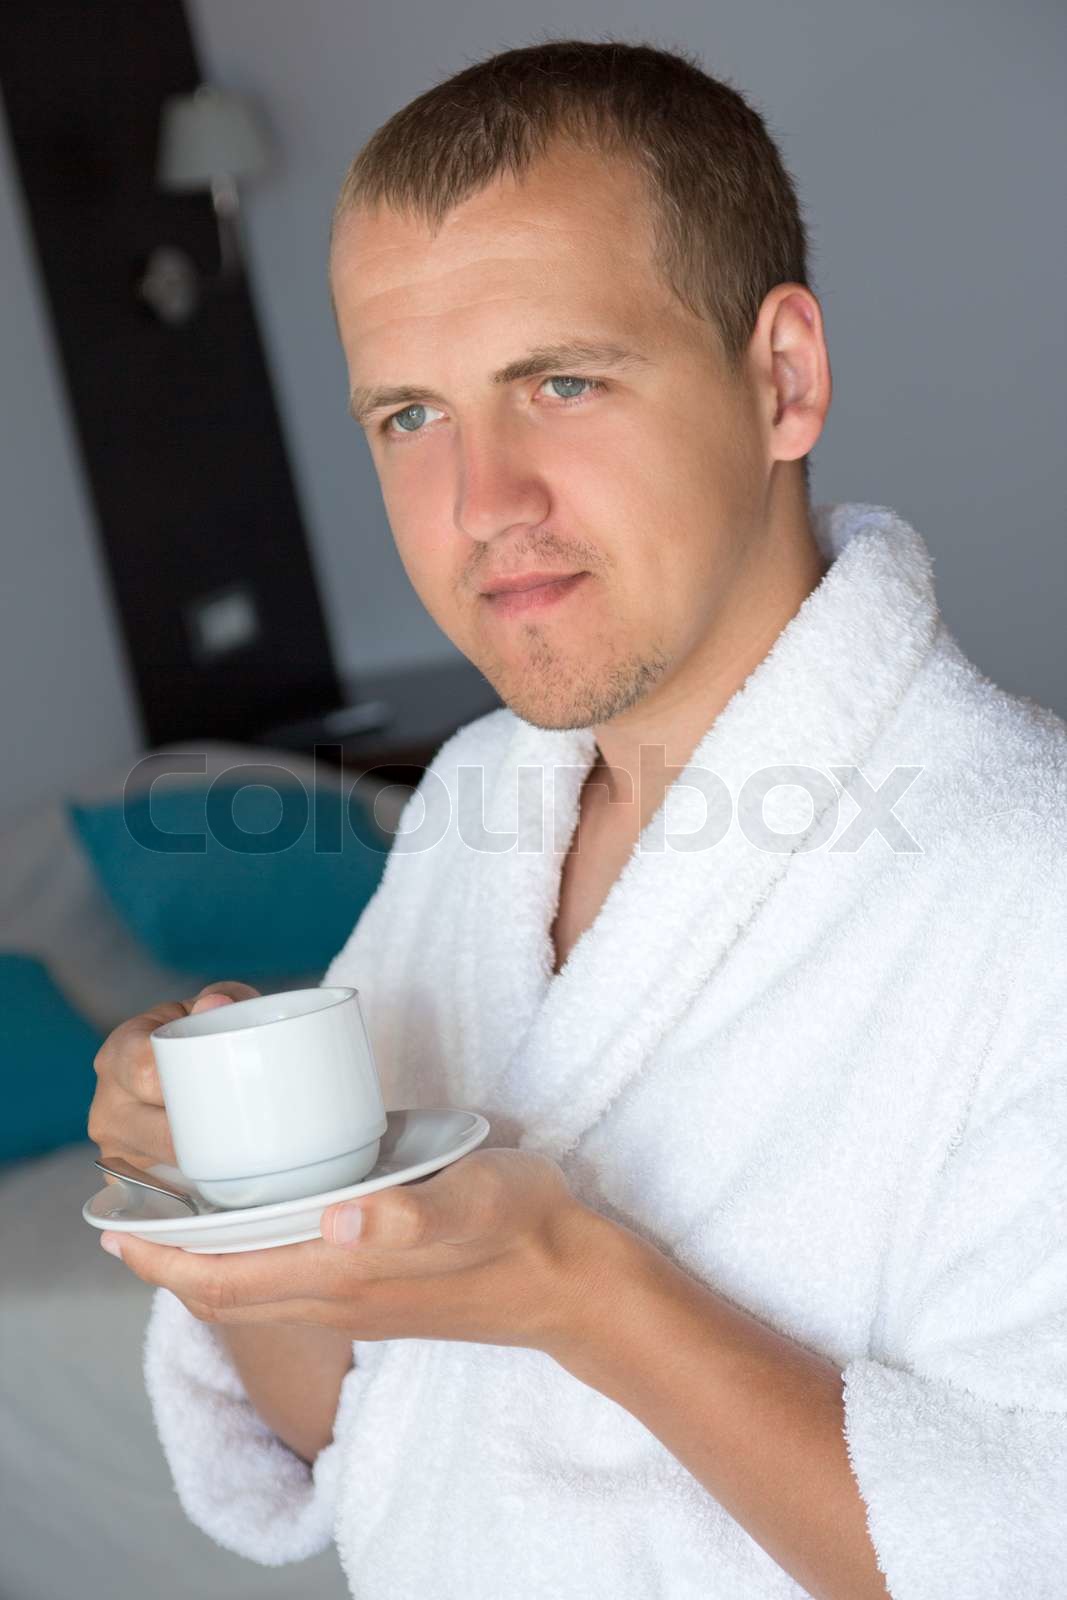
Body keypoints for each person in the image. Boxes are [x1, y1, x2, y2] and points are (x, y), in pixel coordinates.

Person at [88, 38, 1067, 1600]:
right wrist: (235, 1211)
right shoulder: (478, 804)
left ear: (782, 378)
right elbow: (348, 1434)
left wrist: (574, 1286)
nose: (483, 500)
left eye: (561, 383)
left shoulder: (1029, 887)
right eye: (410, 415)